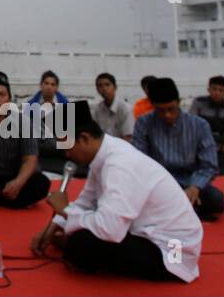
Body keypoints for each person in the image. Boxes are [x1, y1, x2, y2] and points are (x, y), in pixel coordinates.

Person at [32, 102, 202, 283]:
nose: (66, 154)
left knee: (81, 245)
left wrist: (65, 212)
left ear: (83, 138)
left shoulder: (119, 165)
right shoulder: (104, 154)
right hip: (154, 235)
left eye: (67, 147)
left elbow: (110, 230)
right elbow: (87, 202)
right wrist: (55, 225)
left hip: (175, 251)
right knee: (78, 234)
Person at [131, 77, 224, 221]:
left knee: (216, 201)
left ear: (179, 102)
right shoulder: (144, 123)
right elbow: (139, 162)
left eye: (171, 109)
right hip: (158, 183)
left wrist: (195, 187)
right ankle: (182, 207)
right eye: (161, 111)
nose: (167, 115)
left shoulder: (199, 125)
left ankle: (172, 207)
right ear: (153, 106)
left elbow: (209, 165)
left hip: (190, 180)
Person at [0, 71, 51, 208]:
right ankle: (6, 201)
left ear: (9, 98)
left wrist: (18, 182)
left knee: (41, 183)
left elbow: (30, 159)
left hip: (13, 176)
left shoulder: (23, 122)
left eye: (2, 94)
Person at [27, 69, 70, 165]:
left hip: (59, 149)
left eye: (52, 84)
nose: (49, 87)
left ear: (56, 87)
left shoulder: (65, 105)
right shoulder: (30, 105)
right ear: (41, 85)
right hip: (37, 149)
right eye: (46, 83)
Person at [91, 72, 134, 141]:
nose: (104, 88)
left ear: (115, 87)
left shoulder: (126, 109)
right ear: (97, 89)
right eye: (100, 86)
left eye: (107, 85)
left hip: (122, 148)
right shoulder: (98, 109)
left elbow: (128, 137)